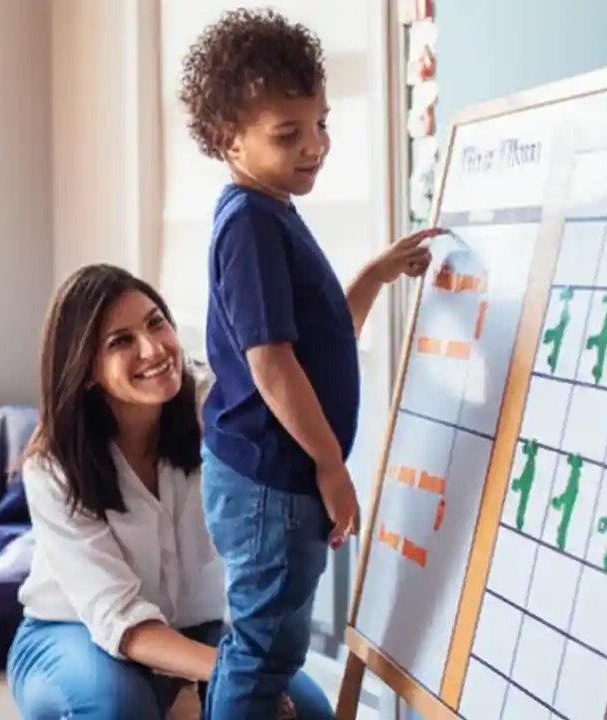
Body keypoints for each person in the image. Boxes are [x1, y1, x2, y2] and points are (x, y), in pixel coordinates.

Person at [179, 9, 442, 719]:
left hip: (270, 476)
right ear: (229, 139)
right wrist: (331, 465)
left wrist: (373, 276)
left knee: (266, 645)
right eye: (287, 133)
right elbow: (271, 365)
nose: (315, 145)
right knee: (264, 650)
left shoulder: (273, 213)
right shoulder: (250, 225)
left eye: (320, 123)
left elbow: (326, 340)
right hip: (273, 480)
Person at [6, 264, 334, 720]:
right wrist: (237, 676)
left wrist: (371, 282)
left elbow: (299, 375)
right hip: (74, 630)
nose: (153, 349)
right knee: (119, 707)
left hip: (199, 628)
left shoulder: (215, 405)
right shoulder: (53, 467)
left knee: (310, 712)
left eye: (155, 322)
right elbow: (119, 619)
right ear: (85, 370)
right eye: (121, 341)